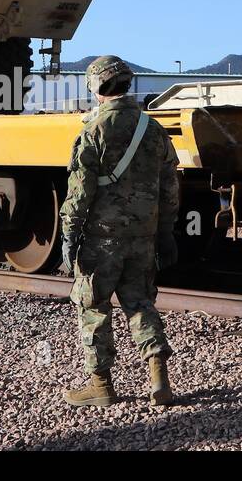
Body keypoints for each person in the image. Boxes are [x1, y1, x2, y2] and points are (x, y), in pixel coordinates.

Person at [59, 56, 179, 407]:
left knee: (93, 307)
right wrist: (166, 231)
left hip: (102, 239)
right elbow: (169, 185)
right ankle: (159, 379)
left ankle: (101, 387)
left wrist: (69, 235)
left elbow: (79, 193)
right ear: (127, 84)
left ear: (95, 87)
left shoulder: (93, 130)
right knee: (141, 303)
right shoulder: (152, 129)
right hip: (143, 238)